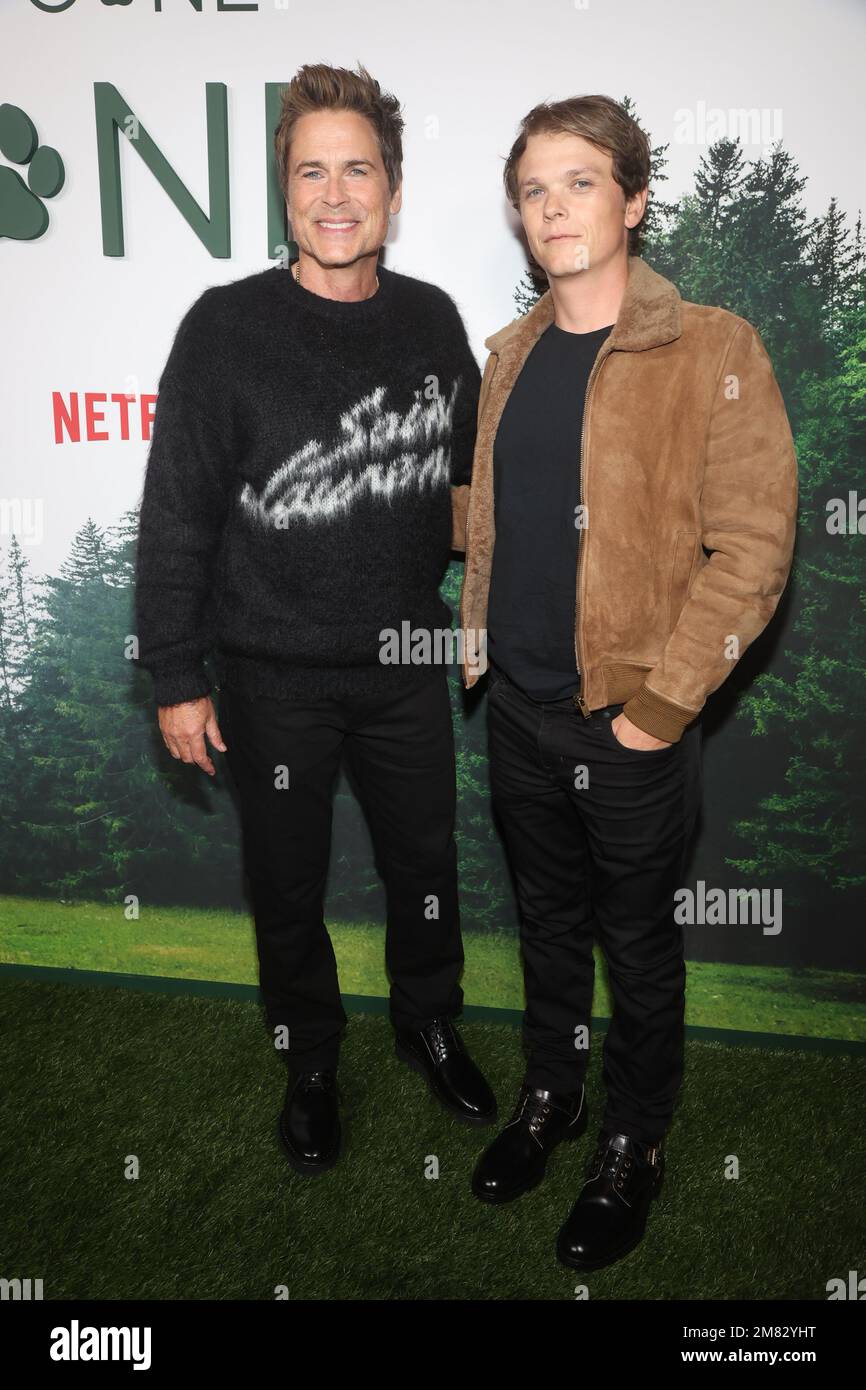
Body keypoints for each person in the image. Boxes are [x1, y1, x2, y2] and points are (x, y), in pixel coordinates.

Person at [455, 94, 798, 1269]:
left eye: (580, 182)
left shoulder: (711, 346)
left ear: (633, 199)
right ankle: (549, 1099)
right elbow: (495, 519)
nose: (554, 206)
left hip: (627, 723)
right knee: (546, 928)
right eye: (534, 190)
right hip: (516, 710)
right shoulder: (503, 358)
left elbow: (752, 545)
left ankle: (632, 1144)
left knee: (637, 945)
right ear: (519, 214)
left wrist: (658, 706)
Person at [134, 62, 496, 1177]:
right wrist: (174, 675)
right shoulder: (225, 327)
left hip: (401, 660)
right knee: (285, 883)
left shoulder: (434, 320)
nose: (334, 193)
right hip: (267, 672)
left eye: (357, 169)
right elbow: (178, 509)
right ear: (283, 190)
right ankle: (309, 1059)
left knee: (423, 862)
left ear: (392, 187)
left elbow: (473, 493)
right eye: (310, 171)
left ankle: (427, 1019)